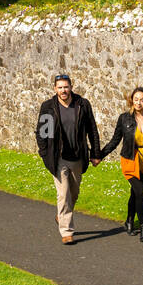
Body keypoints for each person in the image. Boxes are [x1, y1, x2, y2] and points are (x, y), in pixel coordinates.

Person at [35, 73, 101, 245]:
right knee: (63, 195)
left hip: (78, 157)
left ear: (71, 87)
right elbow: (43, 133)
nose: (63, 90)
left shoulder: (82, 105)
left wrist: (95, 153)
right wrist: (44, 153)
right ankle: (66, 231)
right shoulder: (49, 107)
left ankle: (61, 215)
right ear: (55, 89)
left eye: (66, 87)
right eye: (60, 87)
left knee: (73, 193)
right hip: (59, 158)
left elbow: (92, 130)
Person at [98, 86, 143, 242]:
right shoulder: (124, 118)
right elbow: (115, 140)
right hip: (130, 160)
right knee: (140, 192)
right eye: (136, 99)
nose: (139, 103)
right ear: (131, 101)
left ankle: (128, 221)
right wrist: (99, 155)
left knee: (135, 194)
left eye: (142, 100)